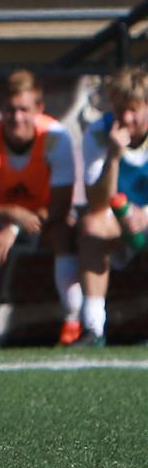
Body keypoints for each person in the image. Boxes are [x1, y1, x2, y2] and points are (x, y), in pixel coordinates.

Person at [0, 69, 78, 351]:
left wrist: (14, 228)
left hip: (44, 219)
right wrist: (11, 215)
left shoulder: (56, 138)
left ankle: (74, 324)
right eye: (10, 110)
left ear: (39, 108)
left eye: (24, 109)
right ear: (0, 108)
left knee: (65, 233)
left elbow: (60, 206)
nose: (17, 118)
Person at [74, 65, 148, 347]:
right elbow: (96, 202)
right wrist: (114, 157)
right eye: (119, 109)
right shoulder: (98, 133)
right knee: (91, 226)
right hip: (116, 219)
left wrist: (145, 216)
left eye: (133, 110)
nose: (126, 118)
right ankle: (93, 328)